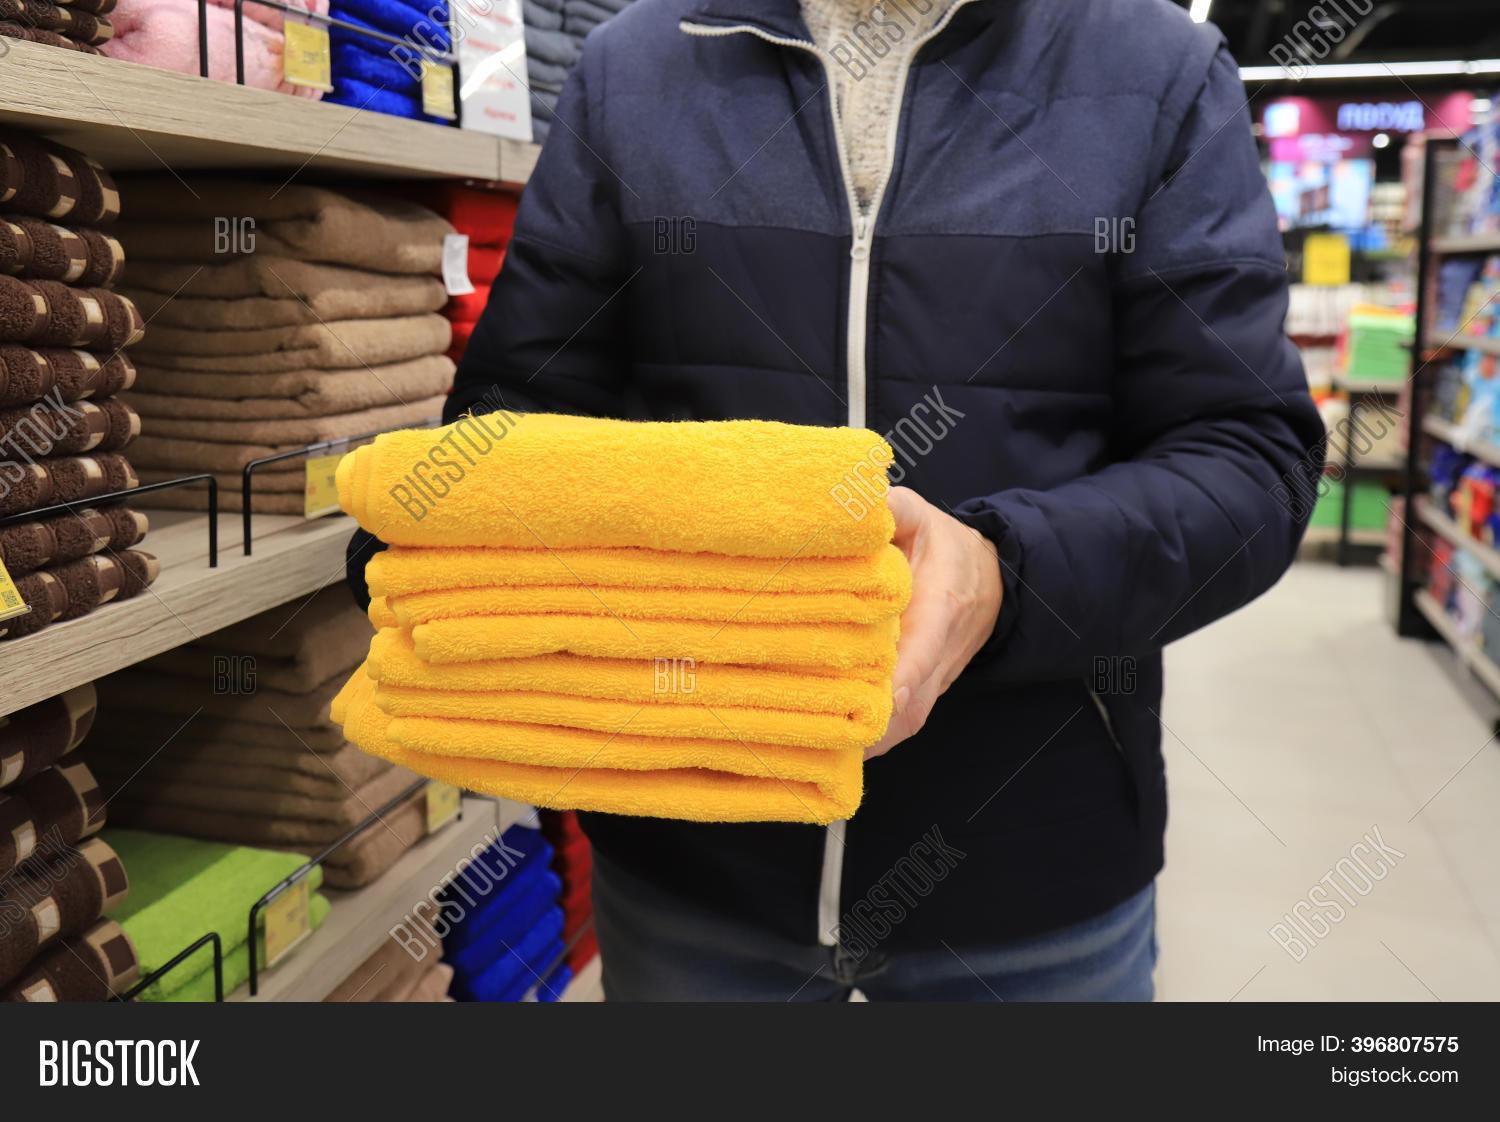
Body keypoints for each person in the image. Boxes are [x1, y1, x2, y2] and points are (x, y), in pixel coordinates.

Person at [348, 0, 1322, 1000]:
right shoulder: (635, 67)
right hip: (696, 839)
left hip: (1029, 848)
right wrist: (434, 551)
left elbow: (1248, 454)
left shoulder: (1156, 67)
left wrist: (1006, 572)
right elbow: (526, 408)